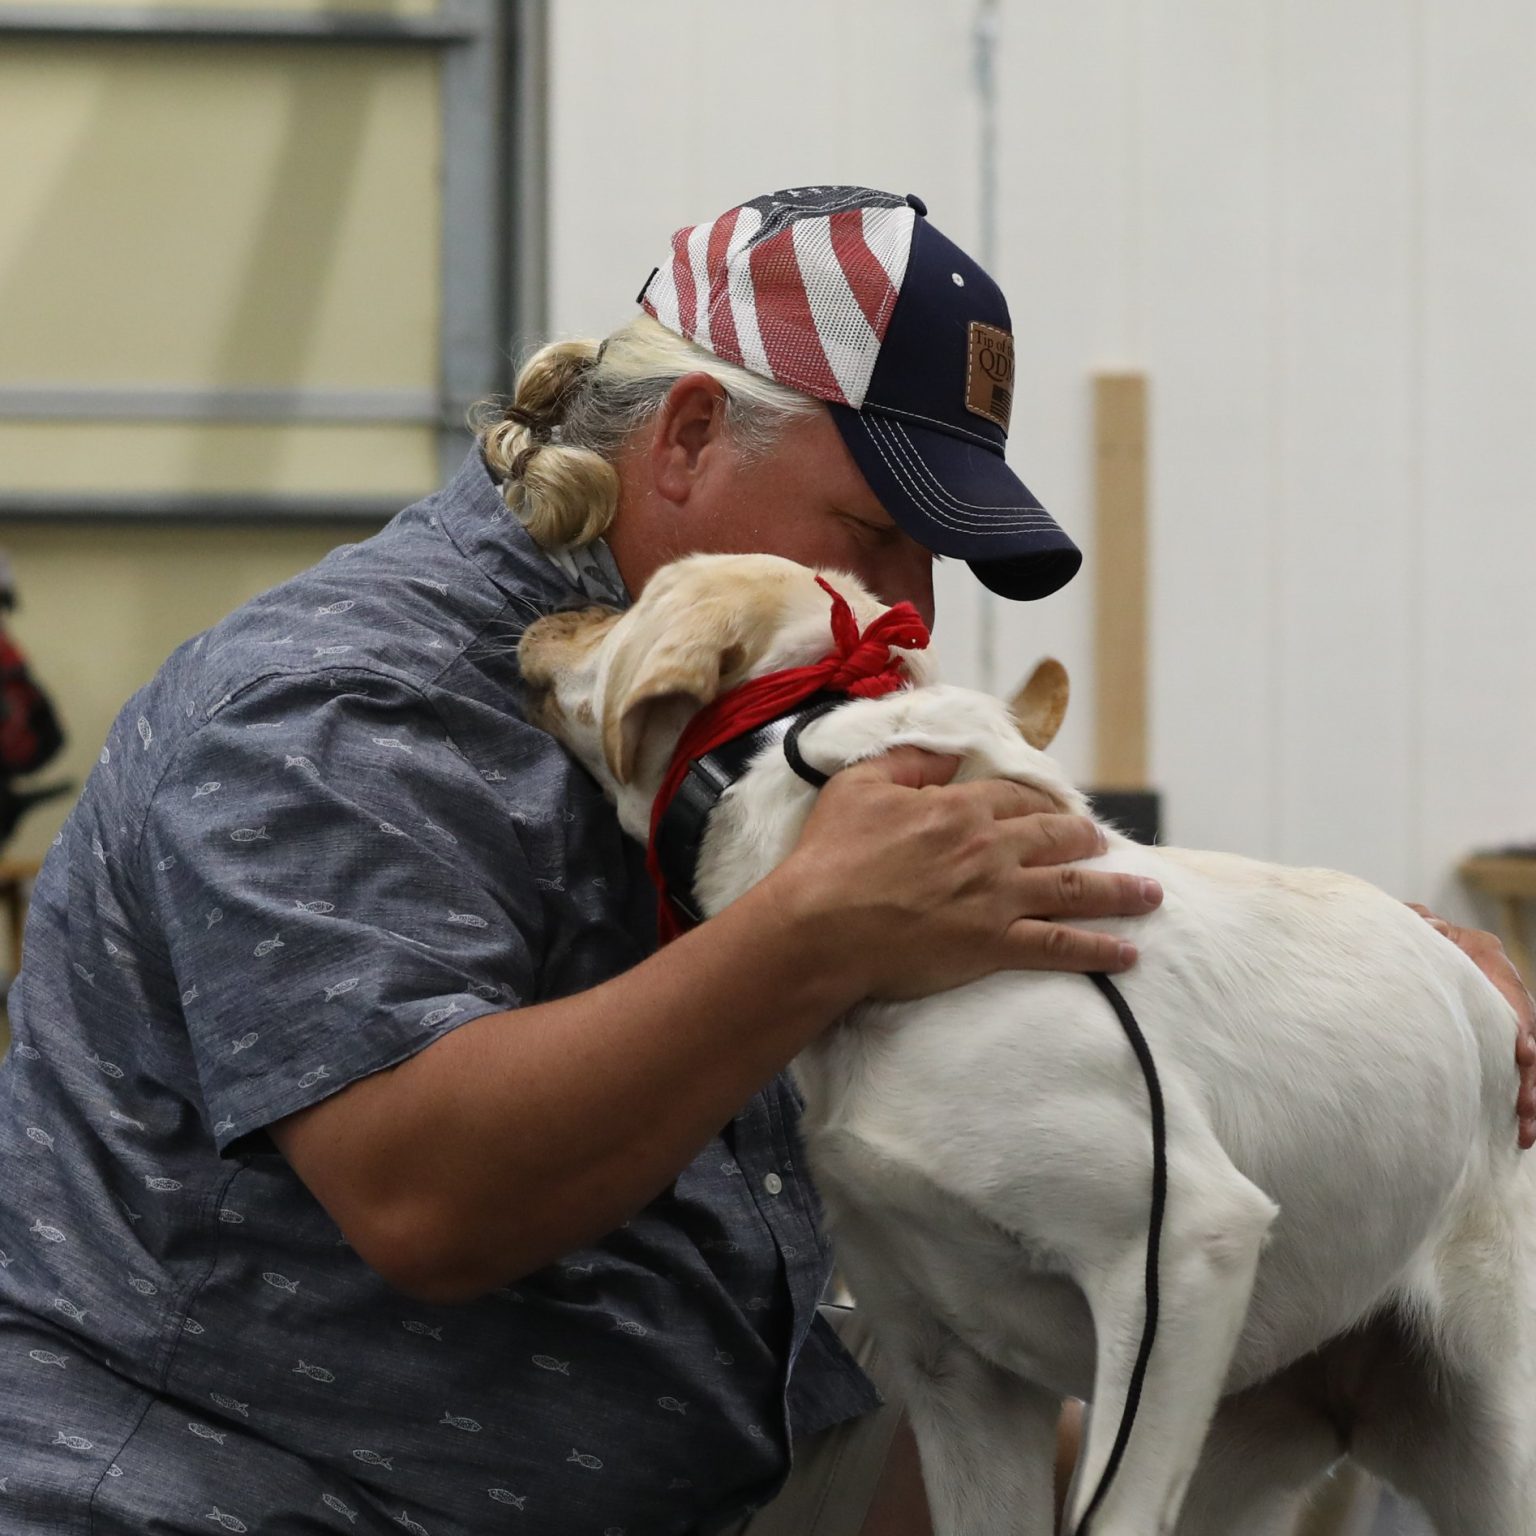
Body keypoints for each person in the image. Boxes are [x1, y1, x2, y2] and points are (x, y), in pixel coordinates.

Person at [0, 186, 1530, 1536]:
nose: (909, 604)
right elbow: (426, 1199)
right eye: (874, 527)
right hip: (274, 1493)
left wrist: (1388, 989)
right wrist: (808, 934)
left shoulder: (768, 700)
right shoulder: (340, 707)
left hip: (728, 1461)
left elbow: (1043, 948)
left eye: (933, 557)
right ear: (683, 440)